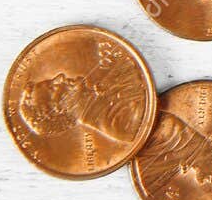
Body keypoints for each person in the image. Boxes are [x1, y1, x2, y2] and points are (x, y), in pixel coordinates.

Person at [17, 47, 146, 147]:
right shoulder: (121, 123)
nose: (60, 77)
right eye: (53, 88)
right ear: (59, 109)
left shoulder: (105, 94)